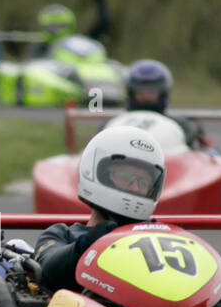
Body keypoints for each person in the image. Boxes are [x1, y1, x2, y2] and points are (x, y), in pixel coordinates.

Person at [32, 126, 166, 295]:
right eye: (125, 177)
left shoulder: (158, 239)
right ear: (96, 172)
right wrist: (95, 240)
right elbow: (49, 271)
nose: (135, 187)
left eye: (144, 182)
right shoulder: (62, 234)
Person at [119, 57, 212, 153]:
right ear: (131, 92)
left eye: (151, 91)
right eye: (141, 92)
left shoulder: (181, 126)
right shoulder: (115, 124)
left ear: (163, 93)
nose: (146, 96)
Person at [29, 0, 112, 59]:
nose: (55, 30)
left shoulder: (82, 43)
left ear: (70, 25)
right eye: (50, 26)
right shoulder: (41, 47)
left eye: (60, 26)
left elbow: (104, 20)